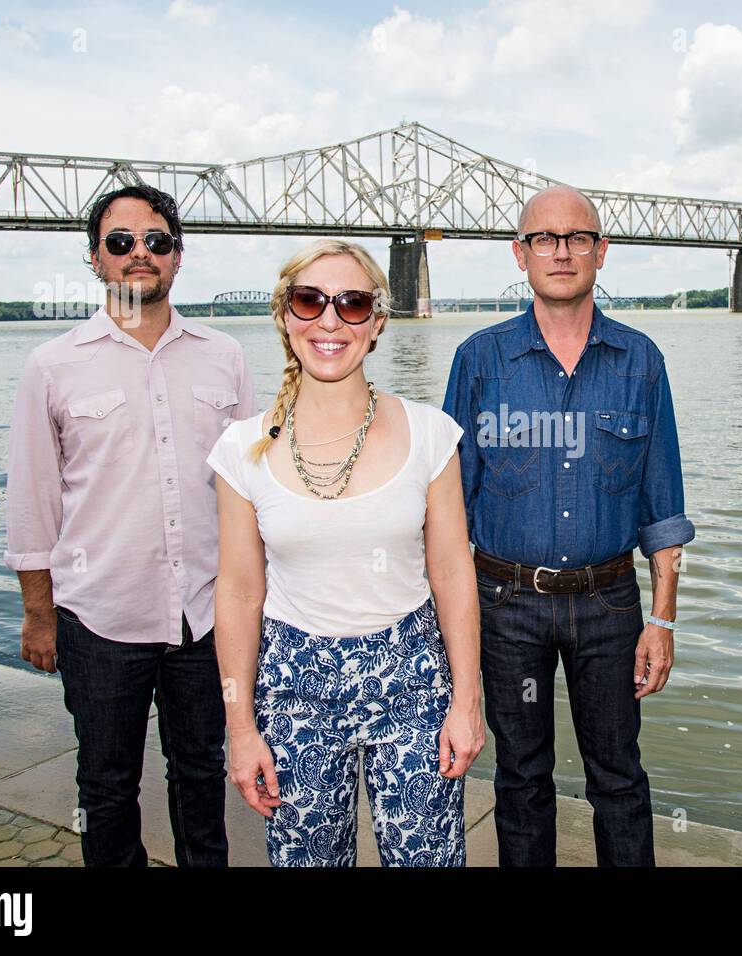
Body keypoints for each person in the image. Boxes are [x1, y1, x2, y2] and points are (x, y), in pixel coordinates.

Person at [208, 239, 484, 867]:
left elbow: (452, 572)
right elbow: (238, 592)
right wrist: (241, 727)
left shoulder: (432, 434)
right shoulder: (240, 448)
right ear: (285, 316)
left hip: (412, 678)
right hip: (292, 685)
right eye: (310, 301)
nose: (329, 321)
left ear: (377, 323)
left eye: (352, 304)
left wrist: (467, 703)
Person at [442, 186, 695, 867]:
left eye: (578, 237)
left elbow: (663, 508)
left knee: (619, 777)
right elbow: (448, 514)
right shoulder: (478, 360)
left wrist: (662, 621)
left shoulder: (642, 361)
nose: (562, 251)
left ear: (602, 251)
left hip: (610, 604)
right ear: (520, 254)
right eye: (544, 239)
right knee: (521, 780)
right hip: (506, 605)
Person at [4, 184, 256, 866]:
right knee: (107, 787)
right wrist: (38, 614)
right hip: (99, 618)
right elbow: (33, 501)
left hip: (204, 617)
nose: (139, 254)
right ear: (95, 259)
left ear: (178, 256)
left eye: (156, 241)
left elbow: (249, 491)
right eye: (121, 242)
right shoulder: (52, 365)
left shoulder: (224, 356)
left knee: (201, 772)